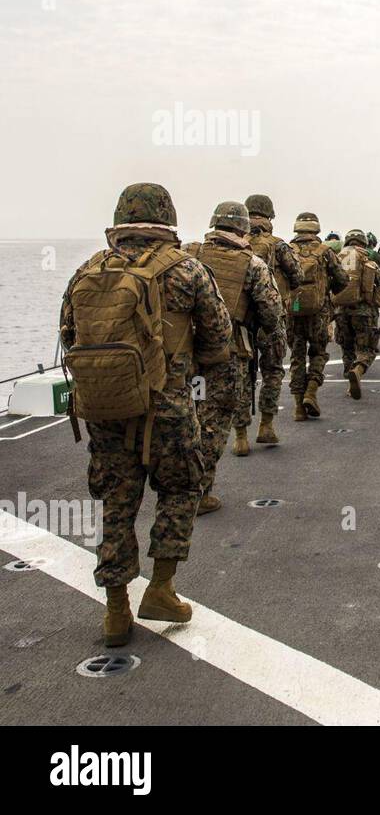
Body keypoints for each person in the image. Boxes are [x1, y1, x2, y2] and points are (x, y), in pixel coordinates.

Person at [60, 182, 232, 646]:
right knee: (181, 486)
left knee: (117, 500)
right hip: (169, 407)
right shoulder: (188, 270)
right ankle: (160, 588)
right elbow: (219, 343)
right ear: (167, 219)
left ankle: (116, 611)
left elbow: (68, 334)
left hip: (106, 408)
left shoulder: (86, 271)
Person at [182, 202, 282, 514]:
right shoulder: (252, 264)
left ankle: (178, 484)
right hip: (228, 354)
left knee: (189, 415)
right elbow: (271, 312)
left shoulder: (189, 254)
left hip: (185, 354)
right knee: (214, 422)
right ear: (243, 229)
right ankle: (200, 491)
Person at [239, 194, 304, 451]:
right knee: (273, 371)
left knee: (241, 375)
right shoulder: (277, 245)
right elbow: (297, 276)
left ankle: (241, 436)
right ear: (270, 217)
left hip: (240, 322)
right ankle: (266, 426)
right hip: (272, 320)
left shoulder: (235, 243)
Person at [287, 212, 348, 420]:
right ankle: (311, 391)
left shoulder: (287, 250)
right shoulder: (324, 252)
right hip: (319, 313)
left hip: (292, 313)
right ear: (316, 229)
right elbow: (342, 280)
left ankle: (297, 408)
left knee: (296, 358)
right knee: (318, 353)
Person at [335, 229, 380, 399]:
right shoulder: (369, 262)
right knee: (367, 349)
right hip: (365, 313)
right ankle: (358, 370)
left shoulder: (336, 260)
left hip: (341, 312)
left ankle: (350, 383)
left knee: (347, 349)